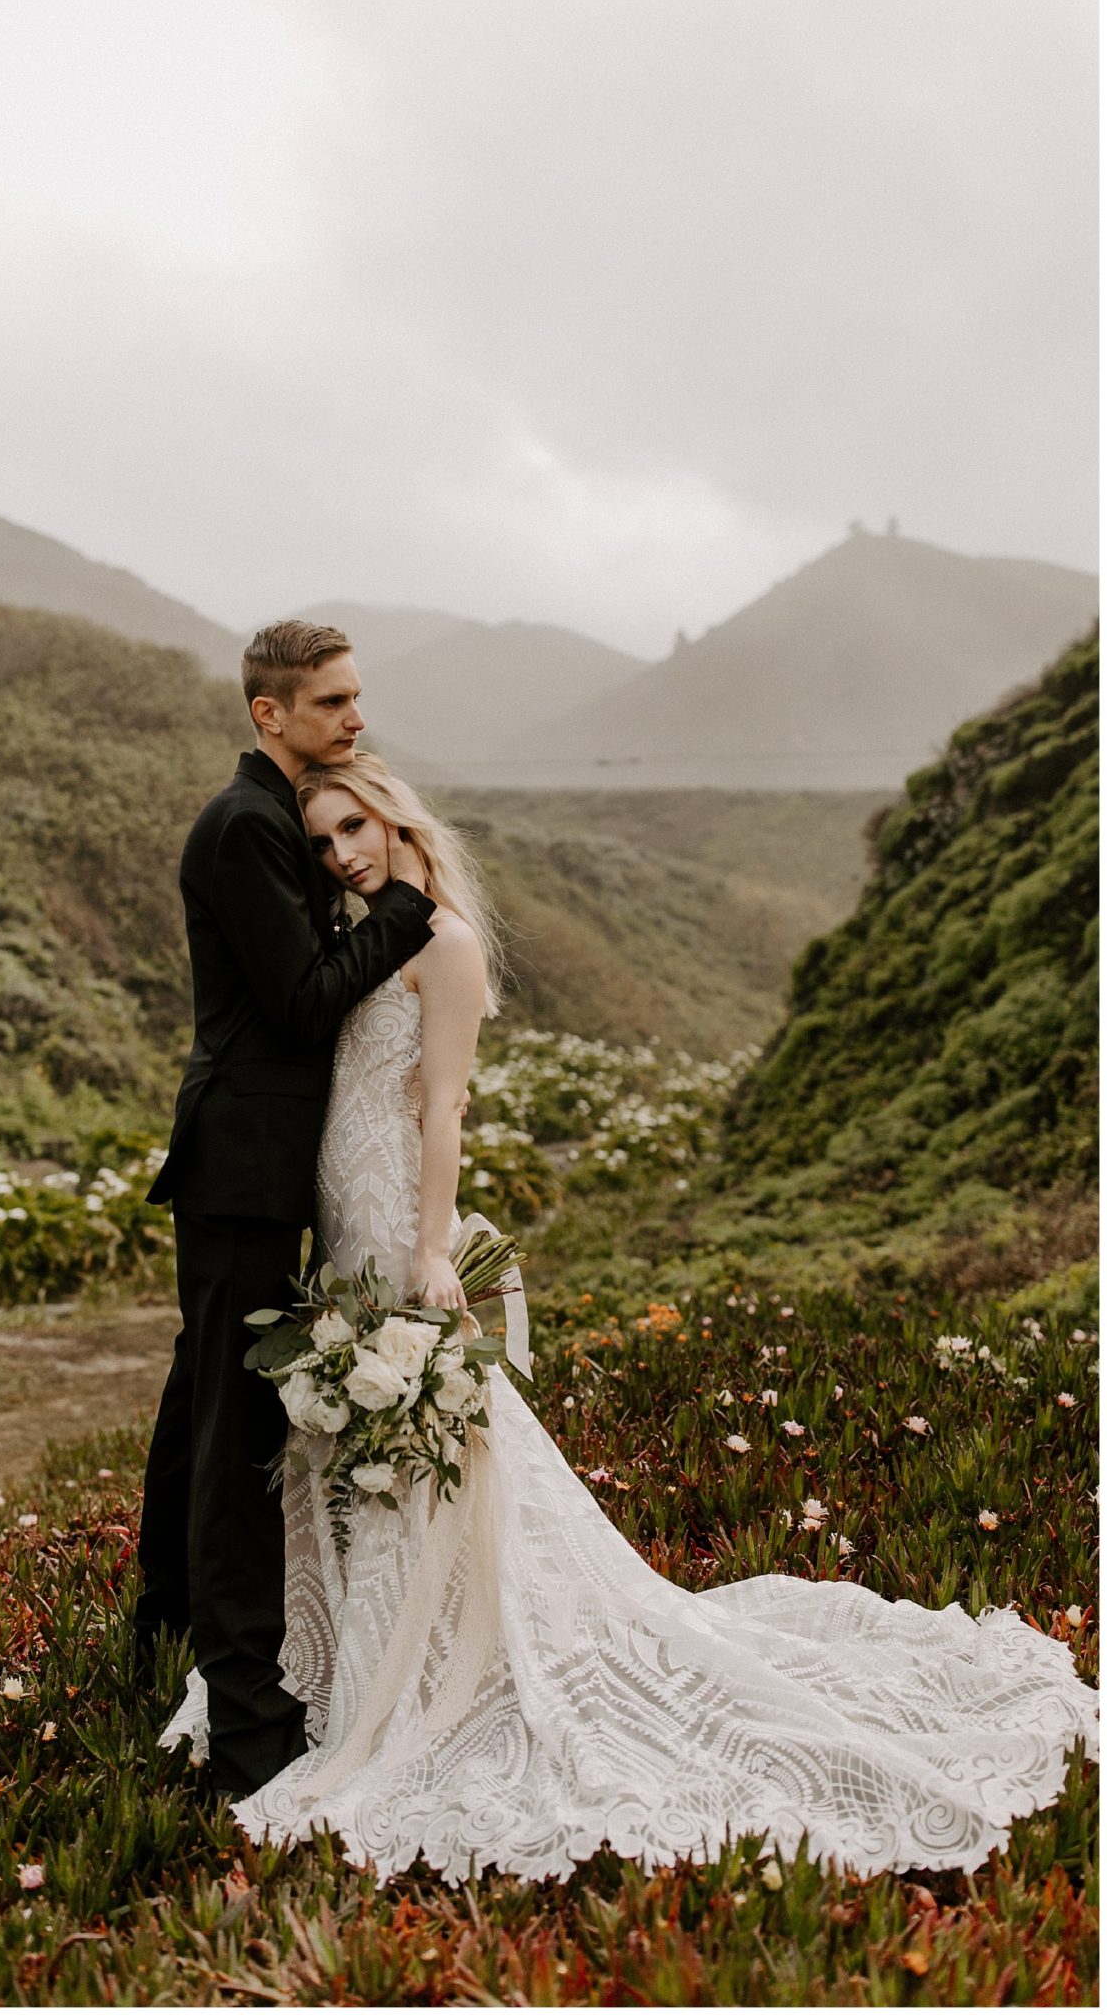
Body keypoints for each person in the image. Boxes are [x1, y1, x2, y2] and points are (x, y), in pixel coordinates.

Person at [159, 754, 1097, 1885]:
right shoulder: (354, 943)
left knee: (423, 1461)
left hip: (392, 1233)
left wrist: (427, 1249)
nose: (343, 851)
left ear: (398, 817)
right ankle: (348, 1672)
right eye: (320, 841)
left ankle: (439, 1677)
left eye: (356, 824)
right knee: (348, 1462)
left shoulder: (443, 944)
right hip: (337, 1232)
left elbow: (444, 1108)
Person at [134, 625, 437, 1801]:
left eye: (356, 697)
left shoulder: (273, 817)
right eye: (330, 702)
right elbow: (305, 1005)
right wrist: (404, 915)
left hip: (261, 1159)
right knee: (234, 1438)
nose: (354, 718)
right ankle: (251, 1727)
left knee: (195, 1398)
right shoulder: (243, 824)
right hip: (244, 1163)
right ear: (269, 715)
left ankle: (160, 1625)